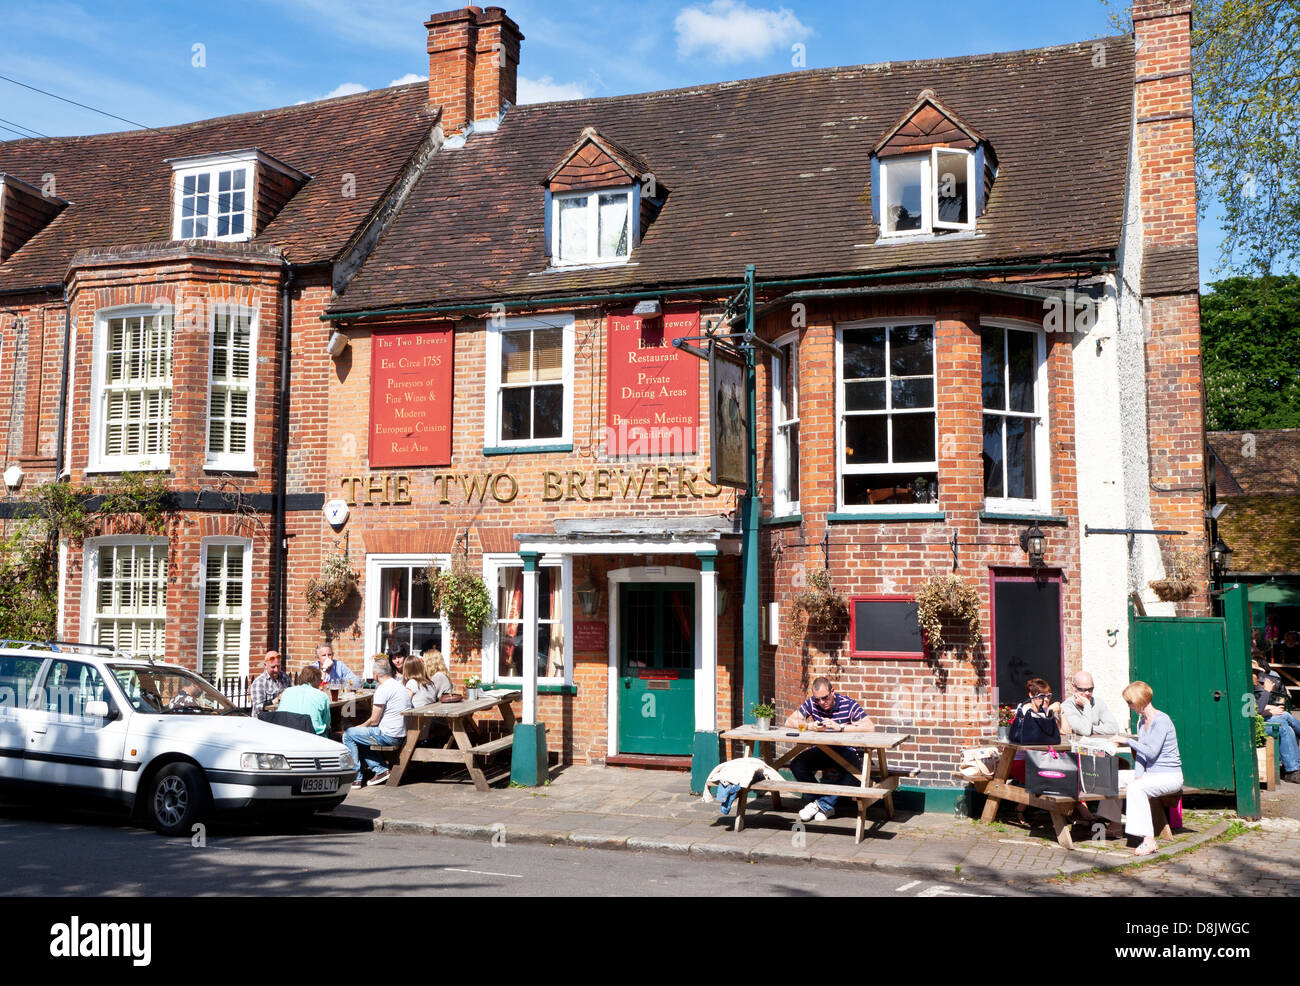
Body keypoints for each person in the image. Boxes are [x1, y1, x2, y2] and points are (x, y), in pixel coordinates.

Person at [1098, 681, 1184, 856]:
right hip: (1150, 775)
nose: (1129, 706)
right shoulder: (1141, 723)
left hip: (1169, 777)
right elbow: (1142, 756)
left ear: (1139, 700)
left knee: (1137, 789)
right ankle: (1114, 824)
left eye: (1130, 702)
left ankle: (1148, 840)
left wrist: (1127, 741)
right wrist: (1138, 776)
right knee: (1112, 777)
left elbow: (1151, 752)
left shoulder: (1162, 721)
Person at [784, 677, 874, 821]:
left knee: (856, 773)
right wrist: (809, 726)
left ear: (833, 691)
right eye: (818, 699)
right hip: (822, 750)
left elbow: (870, 727)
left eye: (824, 698)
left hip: (846, 750)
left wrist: (842, 727)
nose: (821, 702)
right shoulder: (812, 703)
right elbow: (789, 721)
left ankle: (822, 804)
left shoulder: (848, 704)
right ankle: (818, 802)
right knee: (797, 764)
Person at [342, 657, 411, 788]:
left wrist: (360, 726)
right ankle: (380, 770)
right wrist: (361, 728)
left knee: (348, 734)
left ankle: (355, 778)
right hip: (399, 734)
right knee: (359, 736)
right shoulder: (399, 686)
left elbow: (374, 721)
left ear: (376, 674)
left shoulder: (383, 689)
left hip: (388, 735)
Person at [1007, 678, 1061, 784]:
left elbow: (1065, 732)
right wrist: (1049, 712)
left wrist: (1061, 713)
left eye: (1048, 696)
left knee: (1067, 776)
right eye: (1041, 696)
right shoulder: (1025, 710)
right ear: (1031, 695)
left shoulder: (1046, 710)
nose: (1045, 699)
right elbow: (1036, 733)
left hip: (1042, 760)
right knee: (1050, 783)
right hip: (1023, 761)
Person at [1255, 658, 1300, 784]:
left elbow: (1255, 708)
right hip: (1252, 727)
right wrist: (1267, 692)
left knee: (1285, 715)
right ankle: (1292, 771)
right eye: (1255, 673)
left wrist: (1269, 708)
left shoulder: (1255, 685)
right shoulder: (1245, 688)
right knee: (1283, 726)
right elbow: (1252, 712)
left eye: (1258, 673)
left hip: (1258, 720)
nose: (1259, 676)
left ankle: (1295, 767)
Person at [275, 665, 332, 736]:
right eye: (320, 680)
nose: (321, 683)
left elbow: (279, 715)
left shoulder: (287, 691)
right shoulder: (322, 696)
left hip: (286, 734)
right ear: (316, 680)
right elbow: (326, 723)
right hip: (313, 737)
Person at [1061, 671, 1121, 737]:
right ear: (1074, 687)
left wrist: (1087, 727)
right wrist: (1087, 705)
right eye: (1083, 689)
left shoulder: (1098, 703)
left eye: (1090, 689)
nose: (1087, 693)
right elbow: (1085, 731)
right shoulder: (1067, 707)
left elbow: (1114, 728)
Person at [248, 650, 293, 718]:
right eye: (273, 667)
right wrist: (273, 701)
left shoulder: (285, 678)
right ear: (265, 665)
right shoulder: (259, 682)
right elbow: (257, 707)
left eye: (278, 666)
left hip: (281, 719)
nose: (276, 670)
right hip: (263, 722)